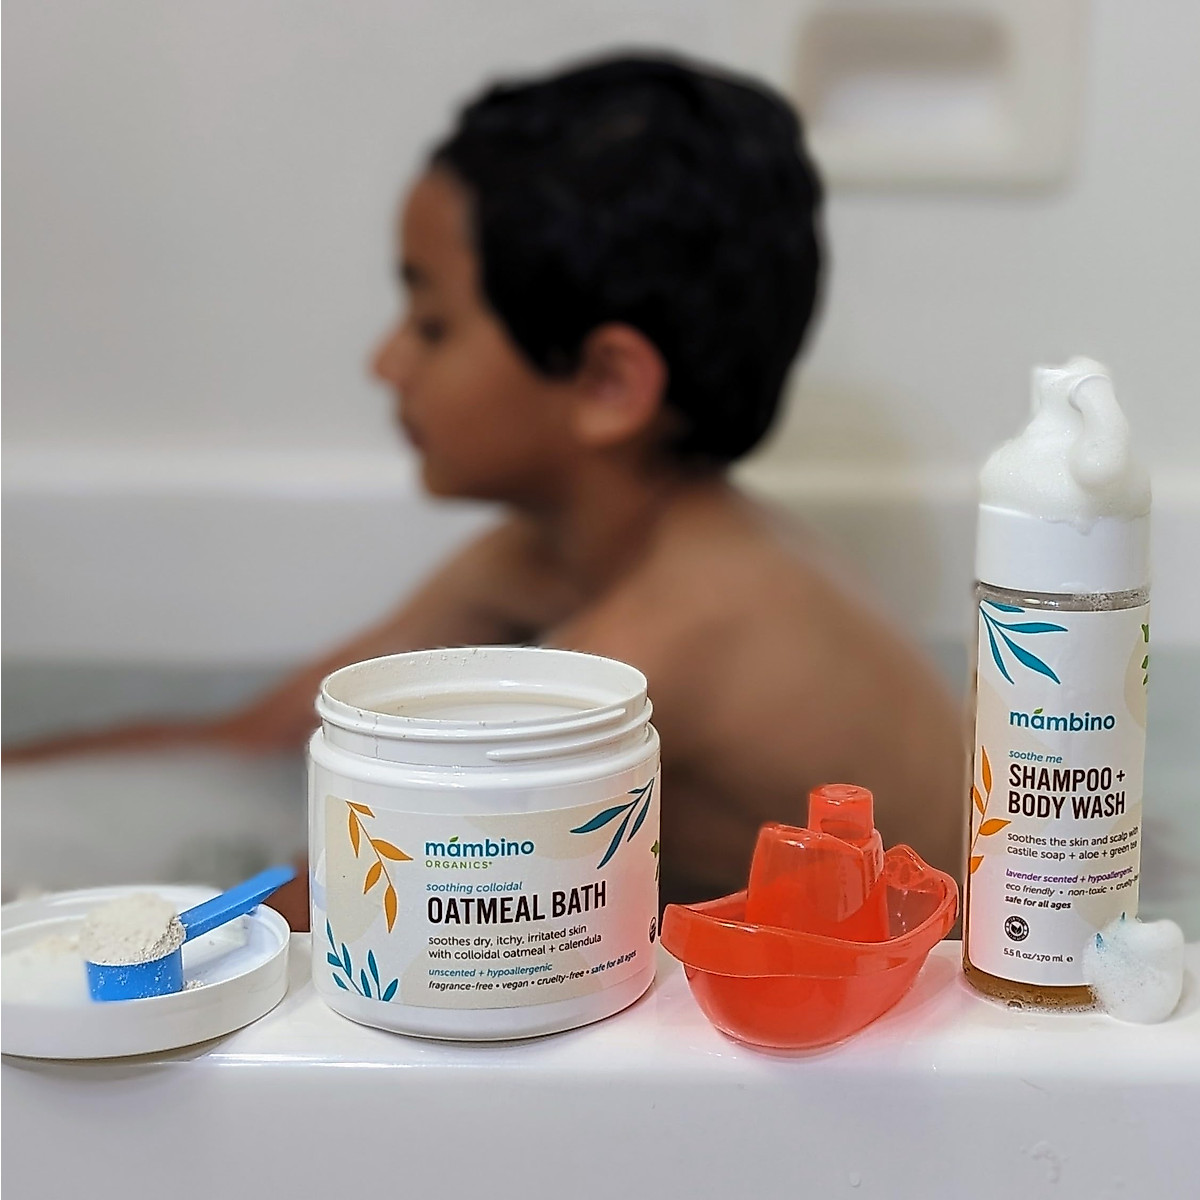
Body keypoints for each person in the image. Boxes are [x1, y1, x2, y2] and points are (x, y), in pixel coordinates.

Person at [5, 56, 965, 919]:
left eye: (432, 325)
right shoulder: (547, 553)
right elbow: (256, 737)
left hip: (947, 991)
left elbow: (351, 903)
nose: (386, 362)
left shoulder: (677, 628)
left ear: (606, 385)